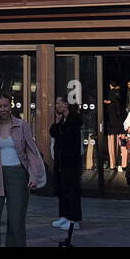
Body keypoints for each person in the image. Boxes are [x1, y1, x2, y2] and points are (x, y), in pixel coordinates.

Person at [0, 93, 46, 247]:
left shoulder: (22, 125)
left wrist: (34, 175)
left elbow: (31, 152)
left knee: (16, 220)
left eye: (6, 106)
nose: (3, 109)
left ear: (11, 106)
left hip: (18, 175)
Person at [49, 96, 83, 231]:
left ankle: (74, 219)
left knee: (71, 190)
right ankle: (63, 215)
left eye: (58, 103)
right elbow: (53, 133)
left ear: (65, 104)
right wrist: (57, 121)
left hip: (70, 161)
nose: (56, 106)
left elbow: (66, 138)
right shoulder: (62, 120)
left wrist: (60, 127)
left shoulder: (74, 121)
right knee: (62, 189)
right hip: (60, 161)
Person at [104, 81, 124, 171]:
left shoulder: (111, 94)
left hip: (111, 125)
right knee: (118, 144)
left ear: (110, 85)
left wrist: (107, 101)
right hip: (118, 124)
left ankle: (113, 164)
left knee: (111, 144)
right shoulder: (118, 97)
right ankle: (120, 163)